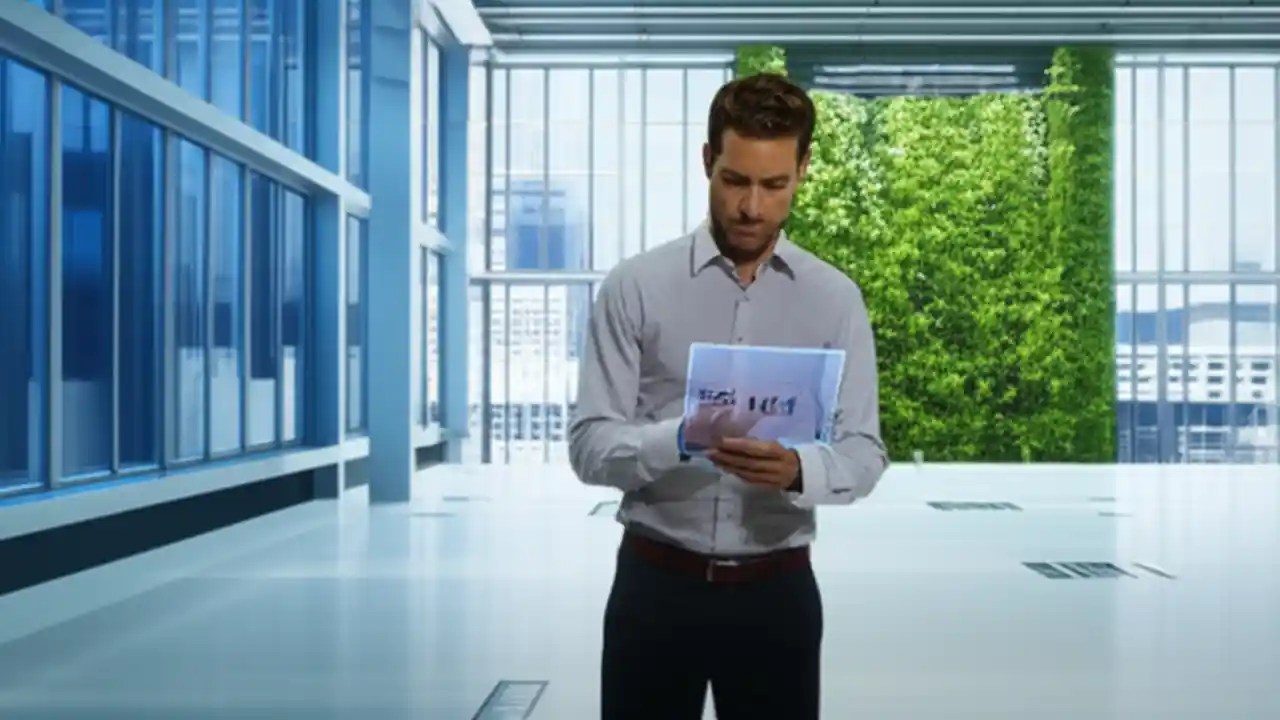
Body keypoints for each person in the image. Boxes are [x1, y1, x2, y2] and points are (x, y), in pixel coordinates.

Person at [567, 72, 890, 720]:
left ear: (803, 170)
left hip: (778, 594)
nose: (752, 207)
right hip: (654, 588)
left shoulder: (834, 299)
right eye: (735, 180)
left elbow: (863, 452)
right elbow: (589, 443)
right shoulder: (635, 287)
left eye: (774, 185)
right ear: (707, 161)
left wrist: (802, 468)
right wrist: (682, 437)